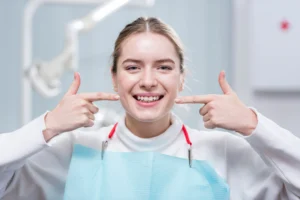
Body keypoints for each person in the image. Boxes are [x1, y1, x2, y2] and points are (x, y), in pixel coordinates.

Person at [1, 17, 300, 200]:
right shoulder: (73, 149)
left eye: (163, 67)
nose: (148, 81)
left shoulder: (222, 150)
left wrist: (253, 125)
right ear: (115, 77)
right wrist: (47, 126)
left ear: (181, 78)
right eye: (132, 67)